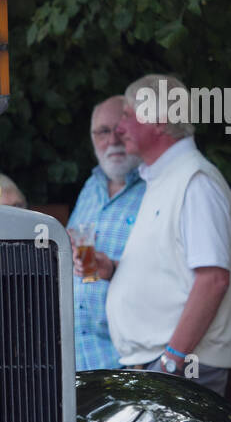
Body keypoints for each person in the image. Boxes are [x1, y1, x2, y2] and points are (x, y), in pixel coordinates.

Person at [90, 73, 231, 396]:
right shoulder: (163, 179)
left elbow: (214, 280)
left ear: (160, 119)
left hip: (182, 366)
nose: (120, 128)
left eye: (127, 115)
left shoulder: (195, 181)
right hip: (162, 365)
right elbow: (172, 269)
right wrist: (112, 269)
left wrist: (172, 360)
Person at [67, 95, 145, 370]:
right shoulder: (91, 186)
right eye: (103, 131)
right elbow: (79, 257)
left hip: (130, 361)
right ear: (91, 138)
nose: (112, 141)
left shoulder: (155, 186)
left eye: (120, 130)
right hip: (78, 358)